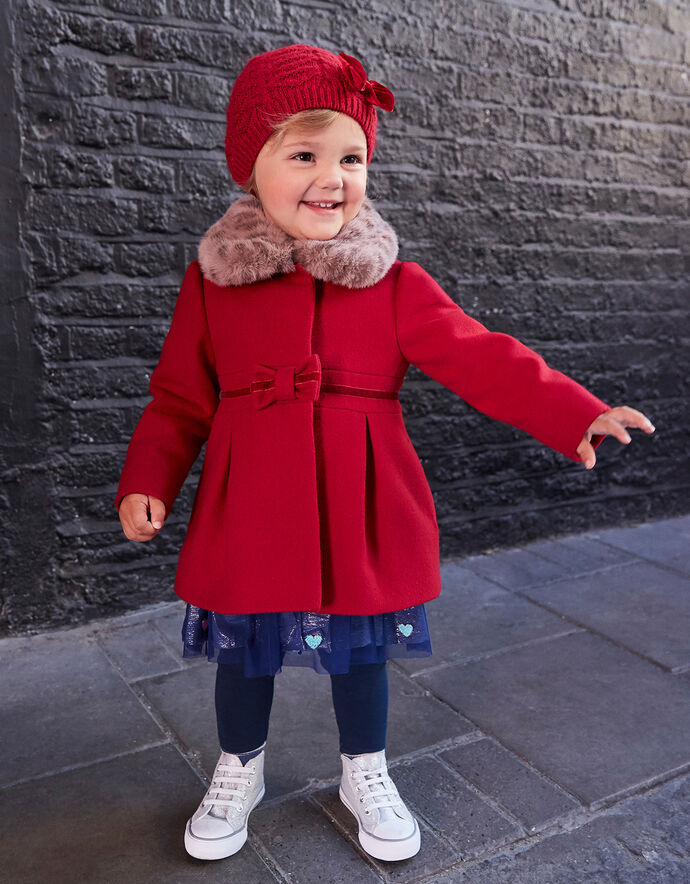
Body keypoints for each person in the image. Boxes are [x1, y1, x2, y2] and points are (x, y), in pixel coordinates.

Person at [114, 43, 655, 864]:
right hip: (249, 500)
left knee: (360, 650)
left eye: (353, 157)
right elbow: (180, 398)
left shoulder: (395, 284)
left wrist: (573, 412)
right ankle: (240, 767)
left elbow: (483, 356)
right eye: (305, 155)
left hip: (361, 505)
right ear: (249, 169)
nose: (333, 176)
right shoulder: (213, 288)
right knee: (244, 649)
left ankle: (365, 769)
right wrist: (148, 478)